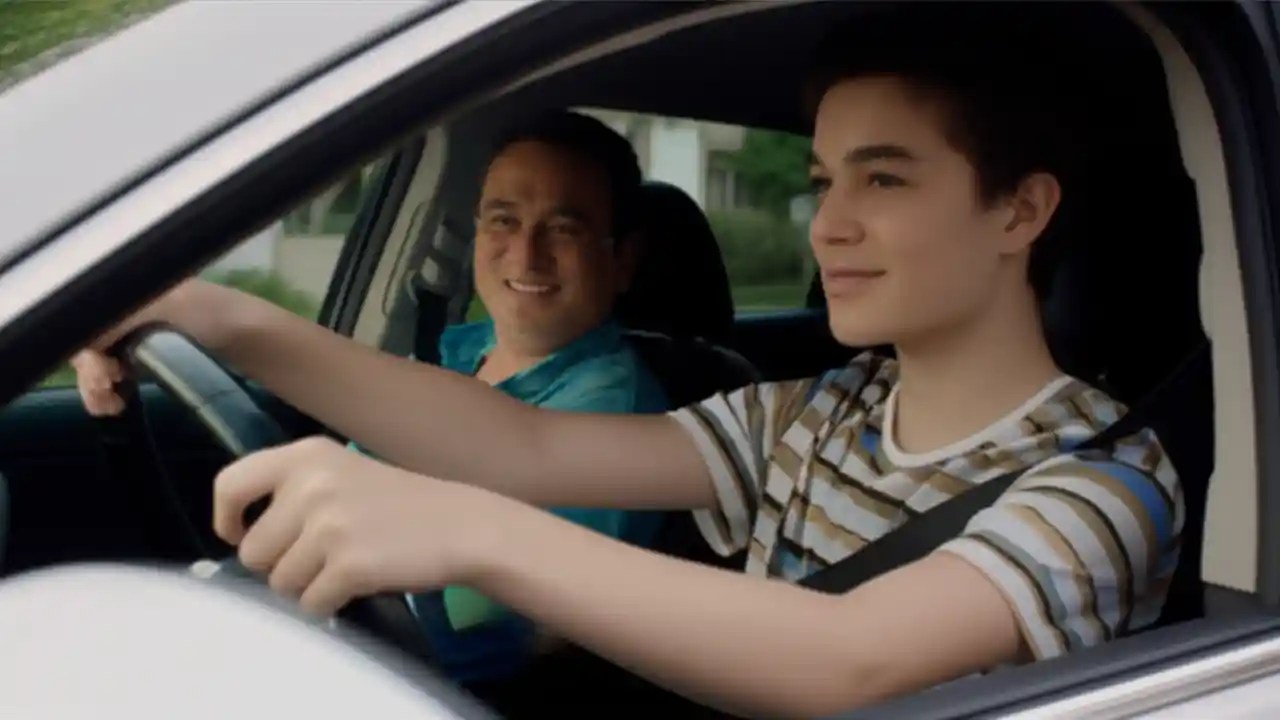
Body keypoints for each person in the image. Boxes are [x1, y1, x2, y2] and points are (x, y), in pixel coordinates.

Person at [72, 13, 1182, 718]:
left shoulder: (1103, 486)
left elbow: (846, 658)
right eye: (824, 179)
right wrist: (216, 313)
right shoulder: (810, 414)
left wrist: (466, 529)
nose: (825, 226)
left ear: (1018, 211)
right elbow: (524, 443)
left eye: (881, 182)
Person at [80, 111, 673, 685]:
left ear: (622, 259)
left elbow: (493, 630)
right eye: (502, 221)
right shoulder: (459, 355)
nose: (524, 254)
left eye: (563, 228)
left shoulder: (613, 410)